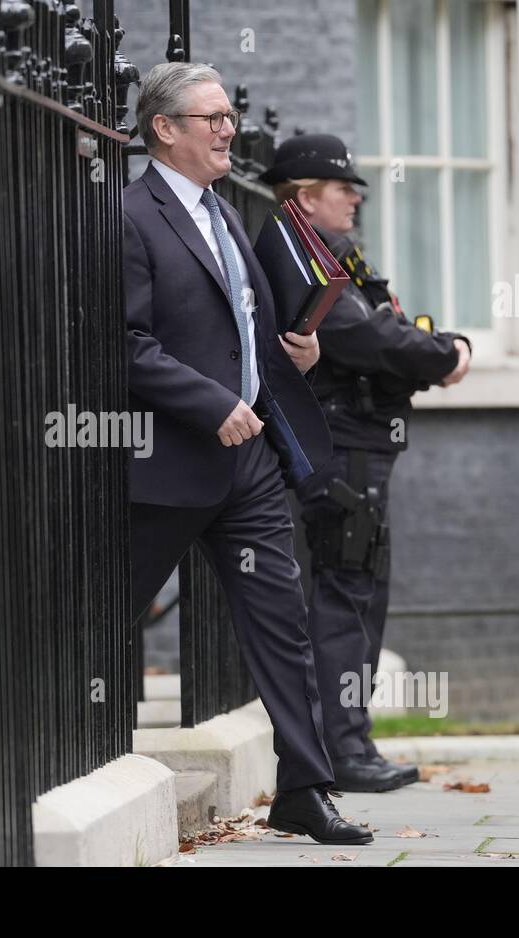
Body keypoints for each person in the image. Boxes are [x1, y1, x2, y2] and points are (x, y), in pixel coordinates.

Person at [125, 64, 370, 843]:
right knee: (107, 619)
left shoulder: (228, 216)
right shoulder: (129, 214)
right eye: (213, 118)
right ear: (165, 128)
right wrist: (212, 402)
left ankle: (306, 786)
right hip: (166, 467)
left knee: (282, 625)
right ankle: (77, 761)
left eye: (231, 116)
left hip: (249, 464)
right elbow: (124, 344)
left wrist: (286, 358)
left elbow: (241, 326)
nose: (229, 130)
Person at [260, 133, 472, 792]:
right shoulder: (302, 256)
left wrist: (432, 345)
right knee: (347, 590)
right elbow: (363, 335)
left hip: (358, 445)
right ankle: (342, 748)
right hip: (341, 446)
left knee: (357, 587)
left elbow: (373, 325)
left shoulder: (323, 252)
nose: (355, 196)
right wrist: (445, 354)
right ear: (304, 196)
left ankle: (348, 742)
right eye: (341, 187)